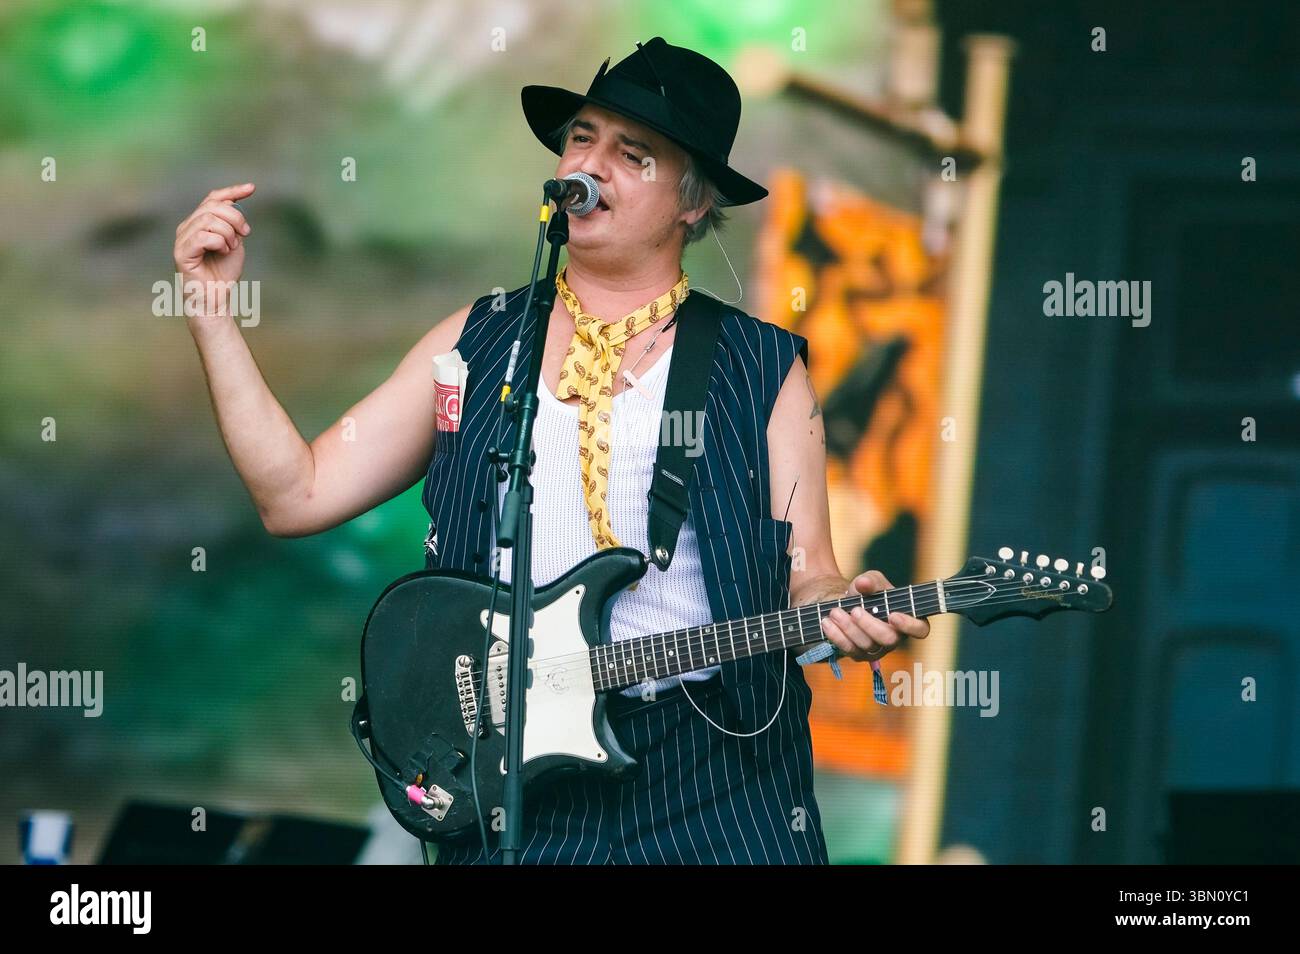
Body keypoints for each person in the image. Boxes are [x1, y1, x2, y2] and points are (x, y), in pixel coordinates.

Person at [173, 36, 929, 865]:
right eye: (582, 138)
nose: (590, 163)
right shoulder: (480, 337)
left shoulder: (762, 367)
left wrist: (849, 607)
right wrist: (213, 311)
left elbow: (808, 573)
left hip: (711, 775)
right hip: (515, 774)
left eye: (631, 153)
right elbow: (297, 493)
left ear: (691, 200)